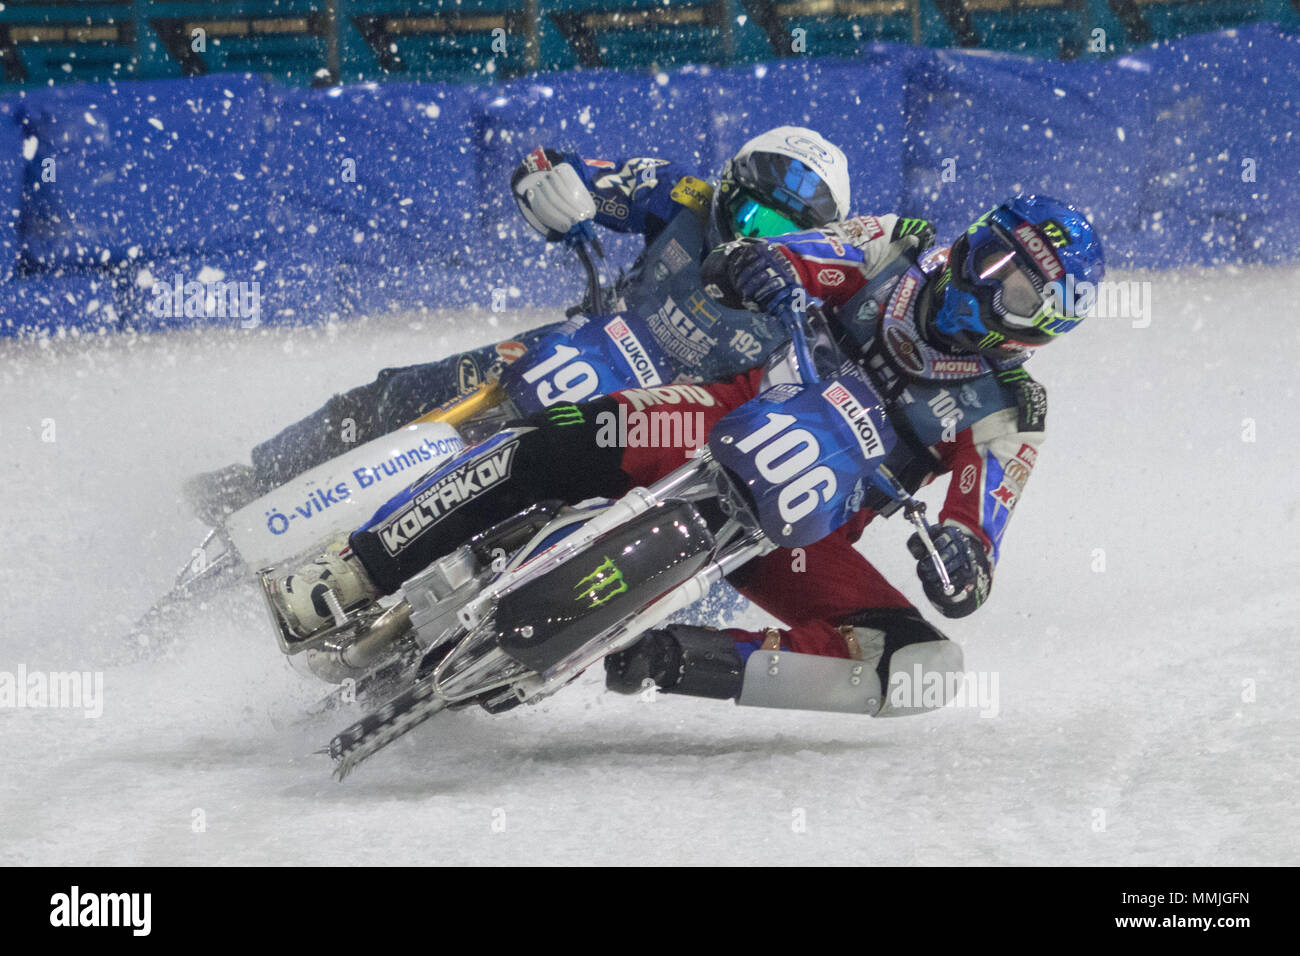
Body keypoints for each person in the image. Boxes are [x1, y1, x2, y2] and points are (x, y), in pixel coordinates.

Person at [268, 194, 1103, 717]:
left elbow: (981, 525)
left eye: (1016, 287)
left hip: (804, 540)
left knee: (923, 667)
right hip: (717, 414)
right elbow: (814, 255)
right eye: (990, 249)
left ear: (1040, 322)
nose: (981, 279)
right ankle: (356, 566)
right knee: (564, 436)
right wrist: (767, 265)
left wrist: (961, 561)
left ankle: (676, 661)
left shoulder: (1012, 411)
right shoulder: (901, 244)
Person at [185, 126, 866, 524]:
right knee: (405, 390)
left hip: (670, 424)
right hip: (588, 345)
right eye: (747, 215)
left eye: (778, 236)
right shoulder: (680, 193)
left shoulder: (818, 305)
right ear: (724, 189)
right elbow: (569, 171)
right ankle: (261, 477)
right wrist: (554, 185)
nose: (749, 241)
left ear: (814, 247)